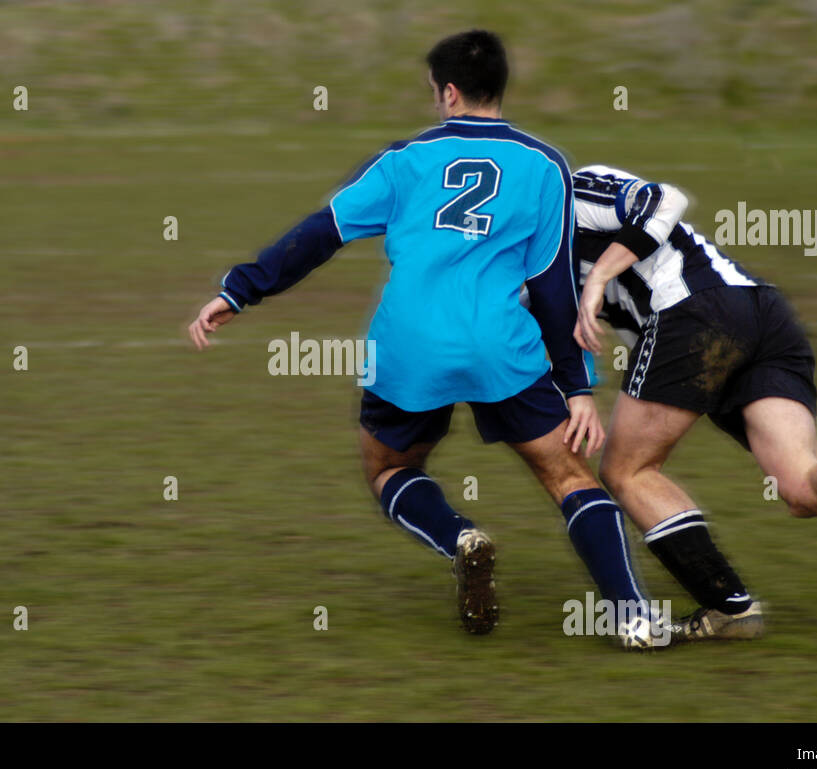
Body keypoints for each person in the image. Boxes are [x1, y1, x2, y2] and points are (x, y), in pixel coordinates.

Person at [188, 32, 661, 648]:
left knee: (388, 467)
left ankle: (458, 536)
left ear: (449, 91)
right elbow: (551, 288)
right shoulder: (546, 165)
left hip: (411, 344)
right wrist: (575, 385)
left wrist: (239, 291)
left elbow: (320, 233)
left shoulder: (404, 158)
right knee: (571, 477)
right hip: (501, 348)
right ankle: (634, 618)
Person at [568, 163, 817, 642]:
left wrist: (600, 276)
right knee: (801, 488)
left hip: (697, 310)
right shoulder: (520, 258)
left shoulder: (572, 187)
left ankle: (730, 607)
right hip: (760, 315)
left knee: (627, 470)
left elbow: (665, 200)